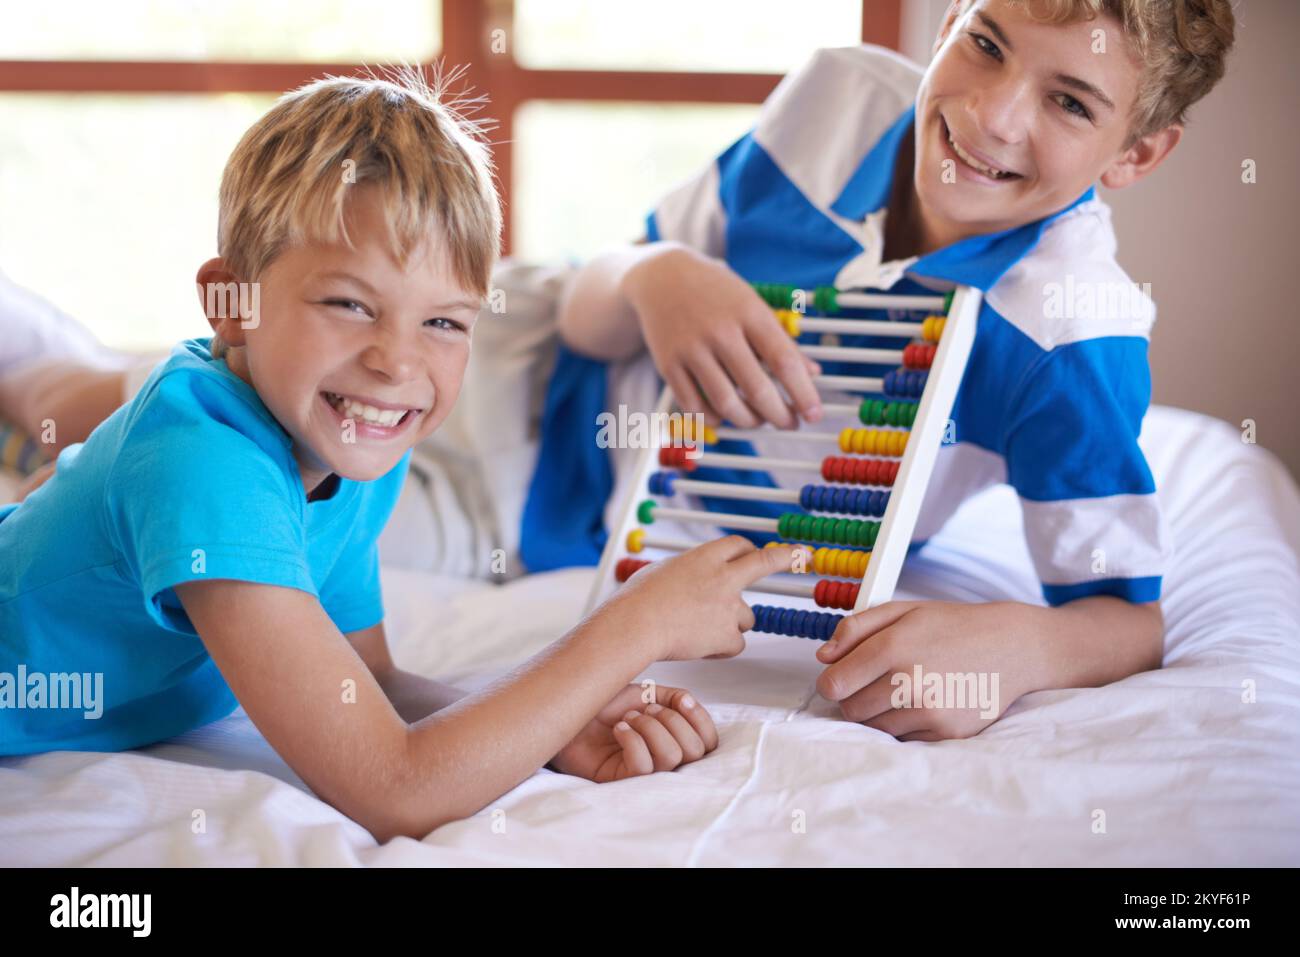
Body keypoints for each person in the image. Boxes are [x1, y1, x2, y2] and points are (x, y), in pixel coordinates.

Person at [0, 69, 806, 842]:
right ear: (230, 304)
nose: (396, 362)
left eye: (444, 323)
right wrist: (636, 626)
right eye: (350, 304)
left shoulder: (345, 449)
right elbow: (394, 789)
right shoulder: (206, 465)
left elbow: (371, 681)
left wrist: (555, 718)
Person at [530, 0, 1236, 741]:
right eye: (987, 44)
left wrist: (1019, 649)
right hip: (527, 380)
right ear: (949, 21)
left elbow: (1127, 619)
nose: (991, 116)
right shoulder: (833, 102)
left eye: (1068, 101)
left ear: (1138, 153)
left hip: (606, 544)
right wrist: (656, 274)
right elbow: (580, 309)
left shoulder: (1069, 330)